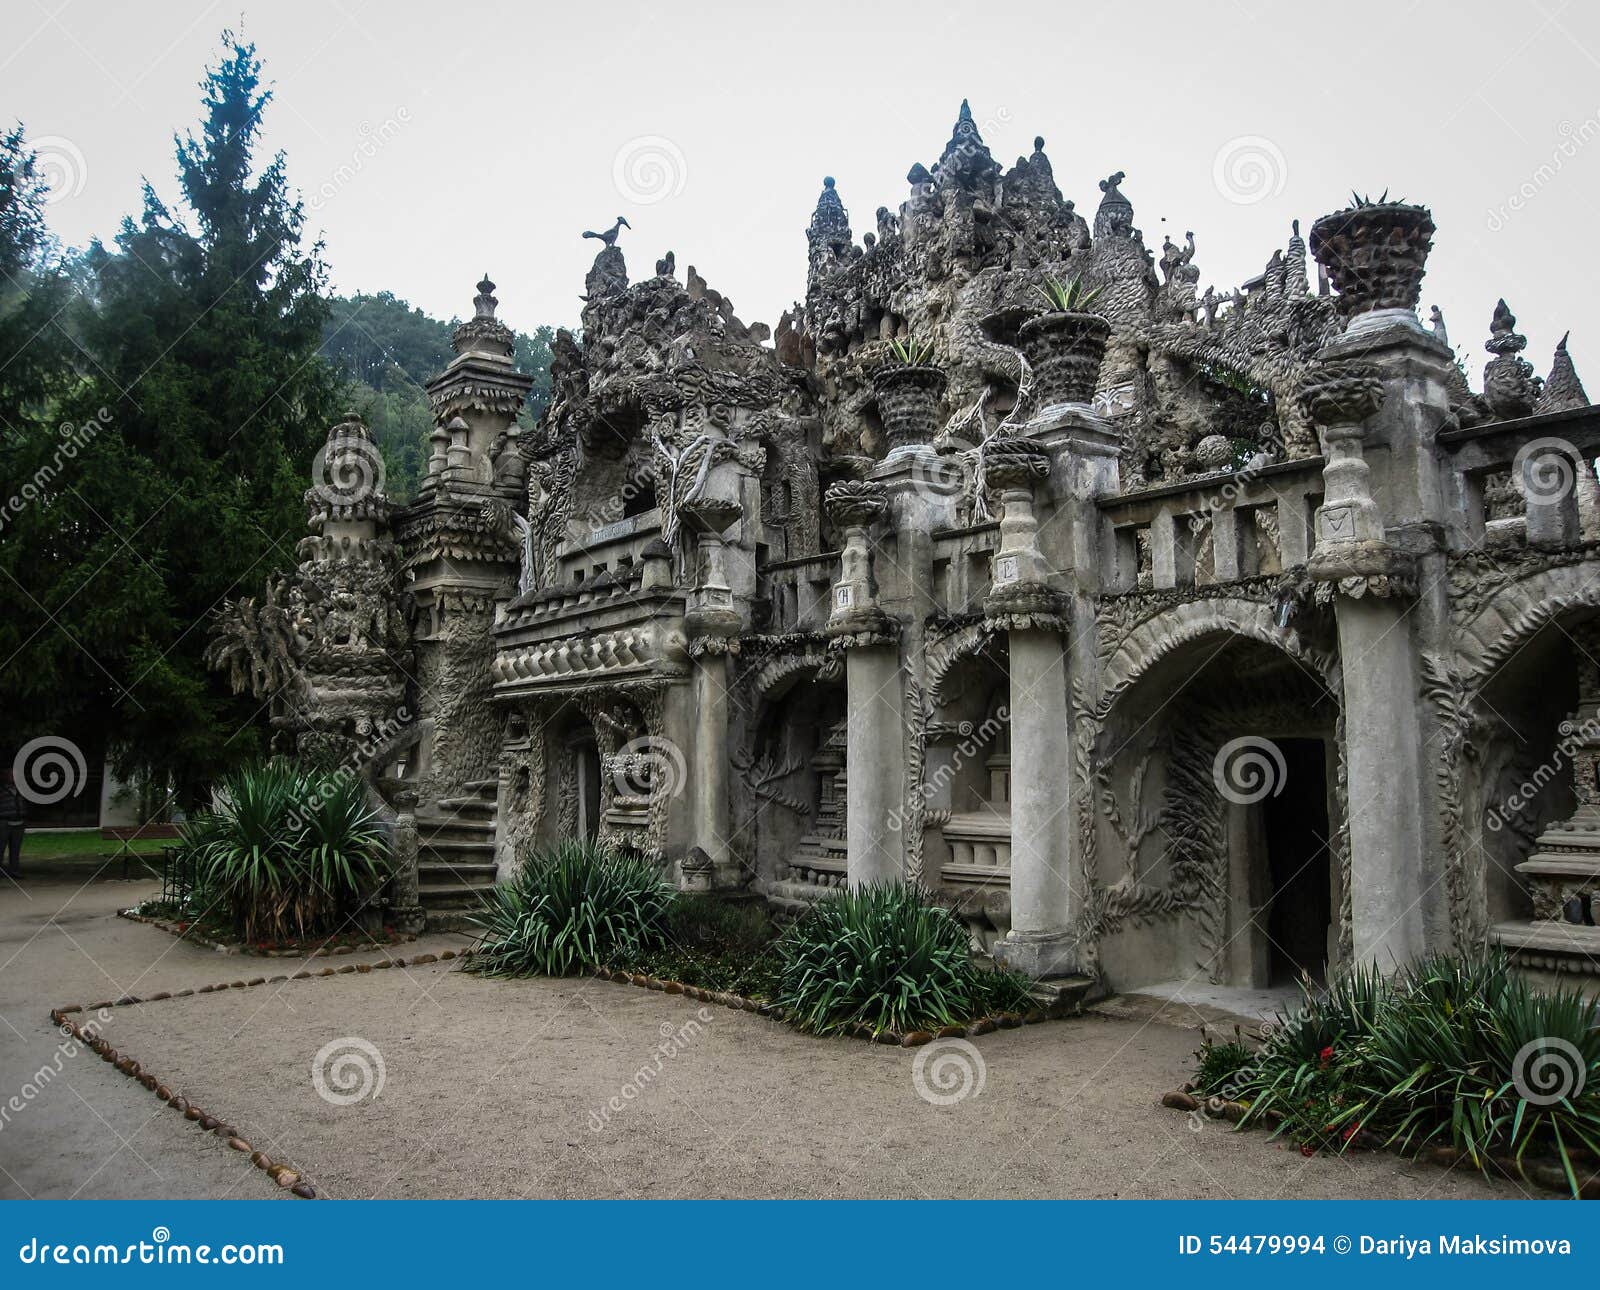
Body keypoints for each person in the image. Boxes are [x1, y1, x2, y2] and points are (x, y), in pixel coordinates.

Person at [0, 767, 23, 878]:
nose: (14, 777)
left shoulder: (21, 789)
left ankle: (14, 870)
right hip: (4, 822)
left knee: (15, 849)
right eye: (11, 775)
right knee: (1, 848)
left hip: (19, 822)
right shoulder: (1, 789)